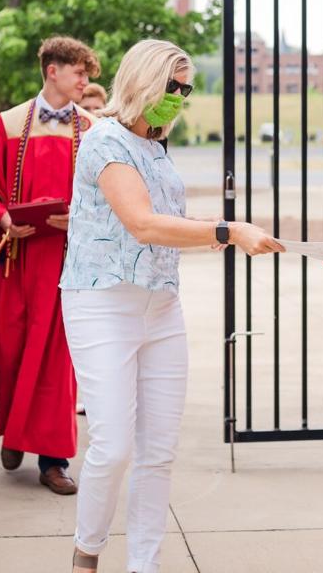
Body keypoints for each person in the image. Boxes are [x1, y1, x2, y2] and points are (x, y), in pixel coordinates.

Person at [60, 39, 281, 573]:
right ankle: (86, 553)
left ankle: (144, 563)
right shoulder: (104, 140)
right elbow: (143, 222)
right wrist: (227, 231)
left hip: (160, 307)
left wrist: (220, 234)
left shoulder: (156, 146)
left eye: (187, 88)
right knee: (113, 446)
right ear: (143, 81)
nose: (180, 97)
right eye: (173, 86)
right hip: (103, 305)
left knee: (158, 451)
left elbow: (164, 225)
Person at [0, 36, 101, 495]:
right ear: (52, 70)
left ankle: (53, 461)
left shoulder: (94, 129)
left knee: (58, 363)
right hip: (17, 260)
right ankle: (15, 428)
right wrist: (2, 219)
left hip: (66, 263)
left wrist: (76, 217)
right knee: (5, 350)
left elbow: (110, 197)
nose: (86, 81)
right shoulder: (6, 126)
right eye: (79, 72)